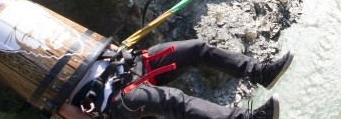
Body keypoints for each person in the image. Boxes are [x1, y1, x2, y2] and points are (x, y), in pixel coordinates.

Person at [56, 39, 293, 119]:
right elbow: (67, 112)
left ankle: (260, 72)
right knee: (173, 100)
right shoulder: (45, 81)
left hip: (130, 65)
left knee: (196, 49)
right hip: (113, 99)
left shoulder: (60, 37)